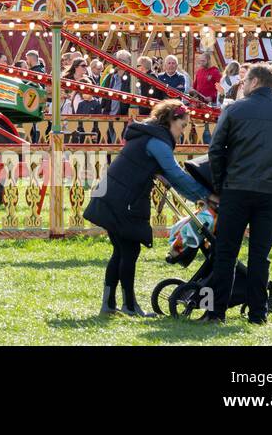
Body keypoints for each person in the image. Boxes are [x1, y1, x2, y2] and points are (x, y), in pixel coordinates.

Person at [206, 64, 272, 324]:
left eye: (244, 83)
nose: (242, 87)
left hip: (236, 189)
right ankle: (257, 313)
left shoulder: (234, 110)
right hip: (270, 191)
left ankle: (216, 311)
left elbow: (216, 150)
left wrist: (220, 186)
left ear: (254, 82)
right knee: (260, 254)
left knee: (226, 251)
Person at [83, 100, 210, 316]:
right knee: (129, 251)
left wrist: (197, 197)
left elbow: (171, 177)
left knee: (121, 251)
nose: (183, 131)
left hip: (112, 196)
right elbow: (175, 174)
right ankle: (129, 306)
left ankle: (109, 304)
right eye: (183, 125)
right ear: (171, 120)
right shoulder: (157, 141)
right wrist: (205, 195)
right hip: (124, 200)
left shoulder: (147, 135)